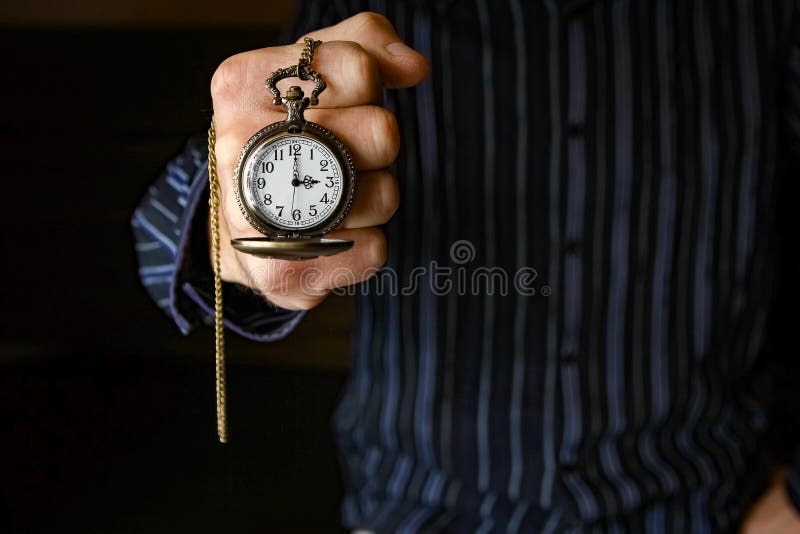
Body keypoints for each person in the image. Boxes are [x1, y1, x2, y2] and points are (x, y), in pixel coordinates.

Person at [132, 0, 800, 531]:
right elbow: (162, 246)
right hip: (421, 509)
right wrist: (234, 219)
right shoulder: (370, 10)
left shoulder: (759, 17)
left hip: (706, 505)